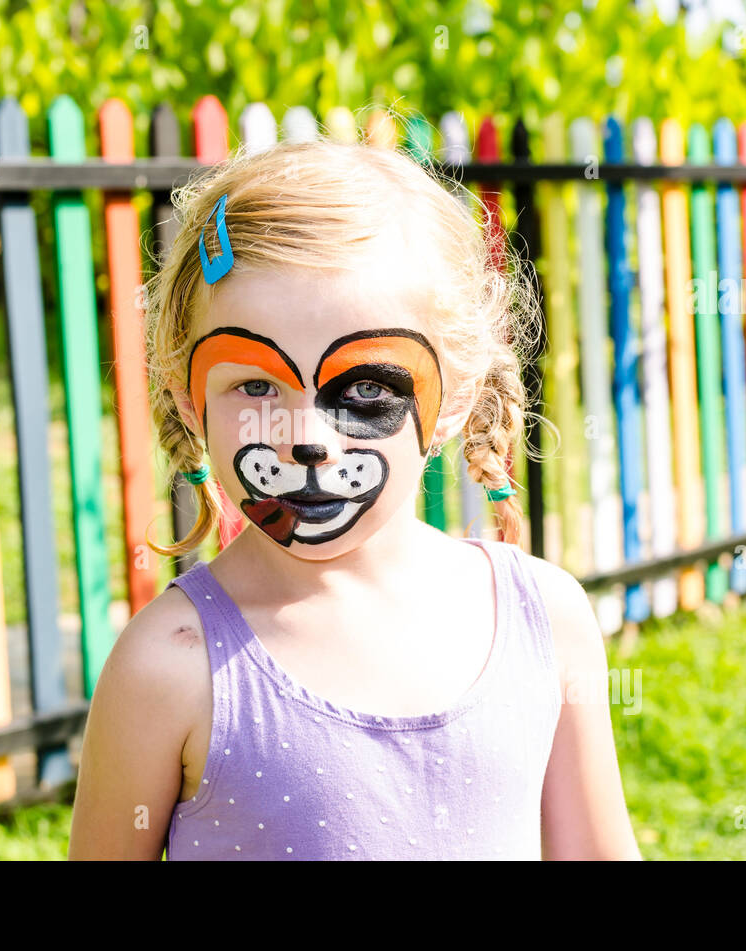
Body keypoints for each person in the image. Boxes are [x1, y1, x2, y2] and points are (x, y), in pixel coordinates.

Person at [67, 126, 641, 860]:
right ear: (189, 402)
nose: (305, 434)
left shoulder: (544, 620)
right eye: (254, 384)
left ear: (457, 393)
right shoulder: (170, 665)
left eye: (365, 385)